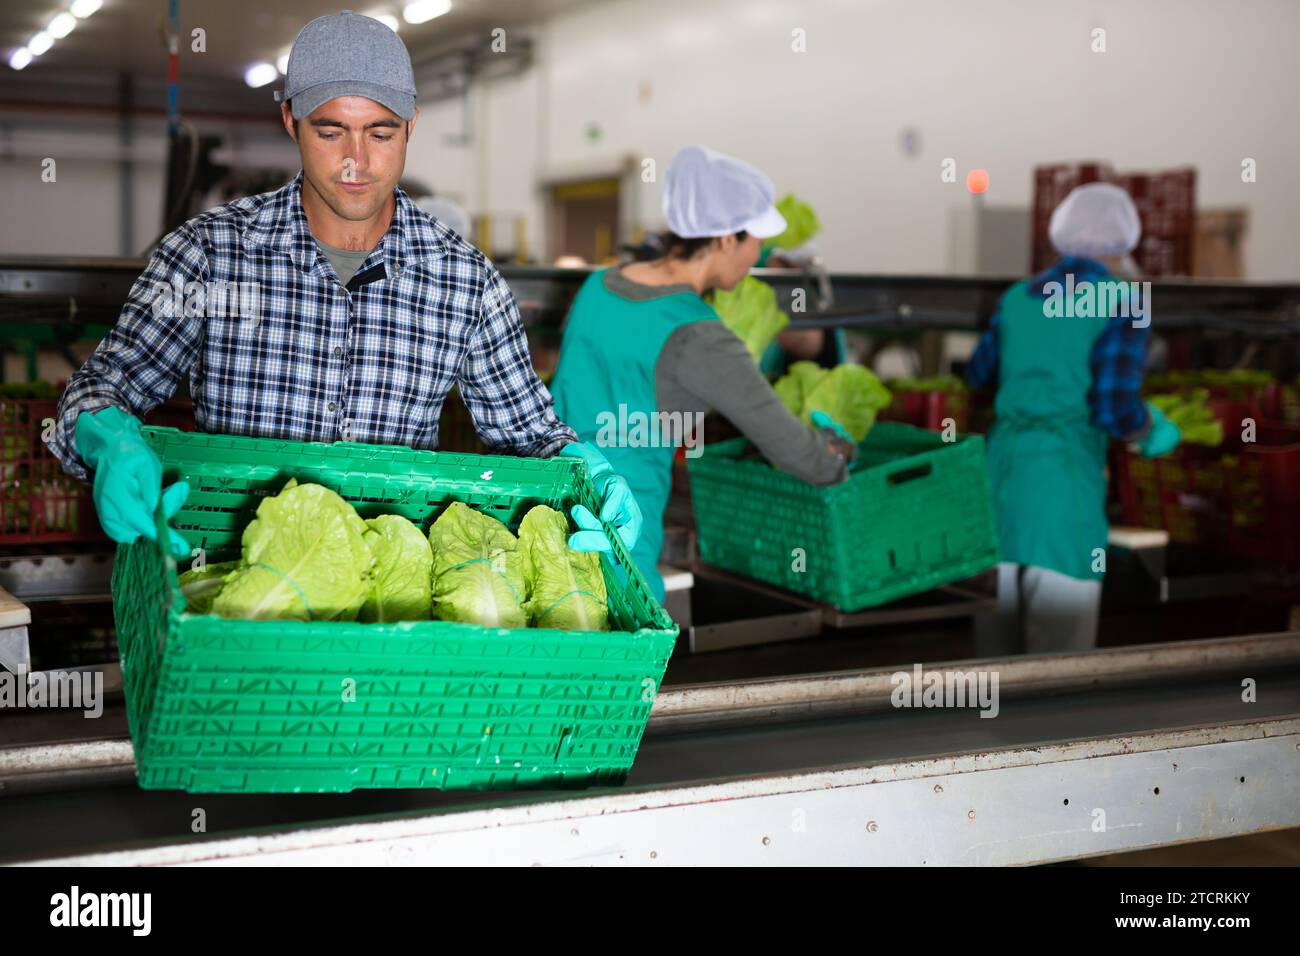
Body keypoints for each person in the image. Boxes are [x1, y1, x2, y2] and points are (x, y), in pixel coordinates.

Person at [51, 11, 638, 561]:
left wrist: (585, 470)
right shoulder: (207, 256)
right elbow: (101, 390)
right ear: (290, 122)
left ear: (411, 125)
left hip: (387, 596)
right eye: (331, 133)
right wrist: (108, 438)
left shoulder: (464, 281)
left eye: (380, 135)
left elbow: (528, 434)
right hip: (233, 579)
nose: (357, 163)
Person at [548, 146, 858, 601]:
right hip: (620, 532)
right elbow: (796, 452)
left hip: (548, 509)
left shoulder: (599, 285)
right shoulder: (698, 335)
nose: (759, 252)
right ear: (726, 239)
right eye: (755, 239)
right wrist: (837, 454)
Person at [965, 182, 1180, 655]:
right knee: (1058, 670)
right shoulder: (1123, 302)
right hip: (1063, 494)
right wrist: (1152, 430)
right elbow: (1115, 408)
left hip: (998, 488)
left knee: (992, 664)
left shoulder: (1017, 298)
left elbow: (979, 374)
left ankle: (984, 731)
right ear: (1124, 244)